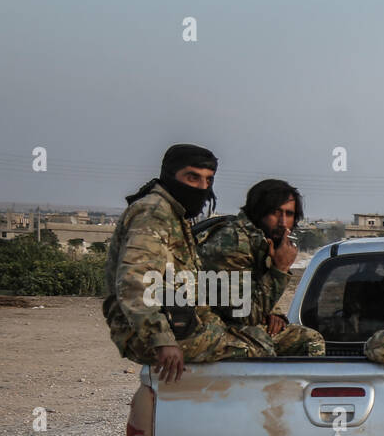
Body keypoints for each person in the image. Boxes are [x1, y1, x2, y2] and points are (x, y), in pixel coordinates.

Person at [102, 144, 293, 382]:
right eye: (193, 178)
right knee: (257, 350)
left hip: (183, 320)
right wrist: (162, 340)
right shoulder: (153, 213)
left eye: (208, 180)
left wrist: (270, 310)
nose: (202, 188)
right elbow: (135, 281)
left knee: (259, 337)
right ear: (170, 176)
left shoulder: (175, 214)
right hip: (149, 332)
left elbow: (206, 284)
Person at [196, 178, 324, 356]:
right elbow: (244, 314)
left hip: (236, 321)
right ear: (258, 213)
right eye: (275, 213)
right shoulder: (232, 243)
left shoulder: (261, 240)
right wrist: (280, 269)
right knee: (261, 345)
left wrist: (275, 313)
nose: (283, 222)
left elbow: (255, 284)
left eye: (289, 214)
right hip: (208, 326)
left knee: (309, 340)